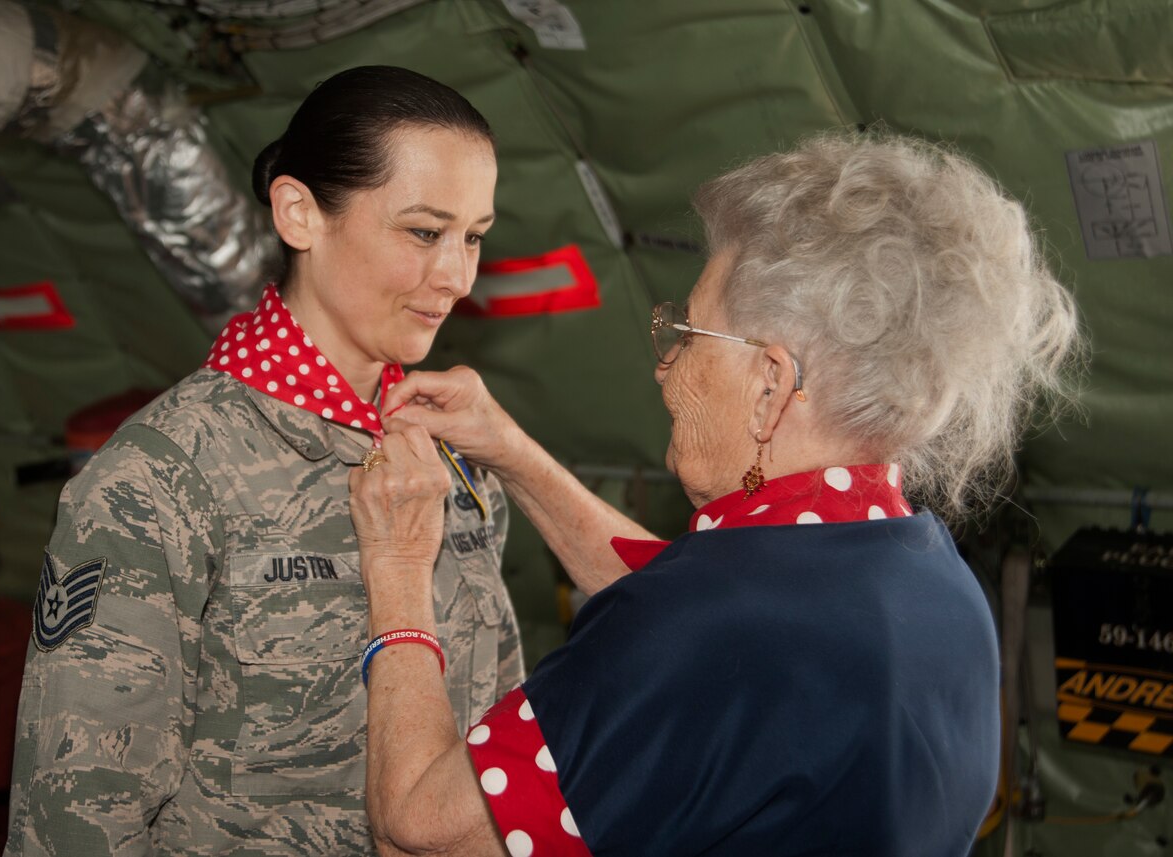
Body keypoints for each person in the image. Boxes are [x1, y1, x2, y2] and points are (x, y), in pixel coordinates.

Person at [348, 131, 1082, 856]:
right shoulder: (938, 585)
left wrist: (399, 561)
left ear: (770, 385)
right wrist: (512, 452)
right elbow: (682, 619)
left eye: (689, 333)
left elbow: (421, 827)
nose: (665, 368)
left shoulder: (714, 629)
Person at [5, 65, 523, 856]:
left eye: (474, 236)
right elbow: (76, 822)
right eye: (424, 231)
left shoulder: (448, 455)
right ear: (299, 213)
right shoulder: (158, 479)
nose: (455, 275)